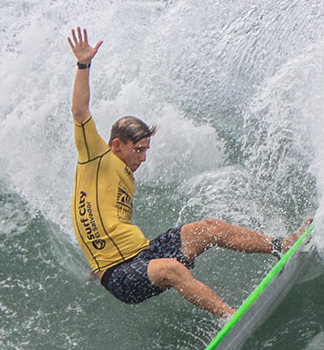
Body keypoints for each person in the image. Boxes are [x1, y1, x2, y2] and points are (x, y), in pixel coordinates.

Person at [67, 26, 307, 318]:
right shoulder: (95, 156)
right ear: (117, 144)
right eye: (138, 150)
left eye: (146, 151)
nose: (142, 158)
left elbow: (101, 221)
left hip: (144, 254)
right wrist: (84, 64)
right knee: (171, 268)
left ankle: (281, 245)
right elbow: (80, 111)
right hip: (120, 274)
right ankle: (230, 317)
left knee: (211, 227)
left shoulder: (124, 176)